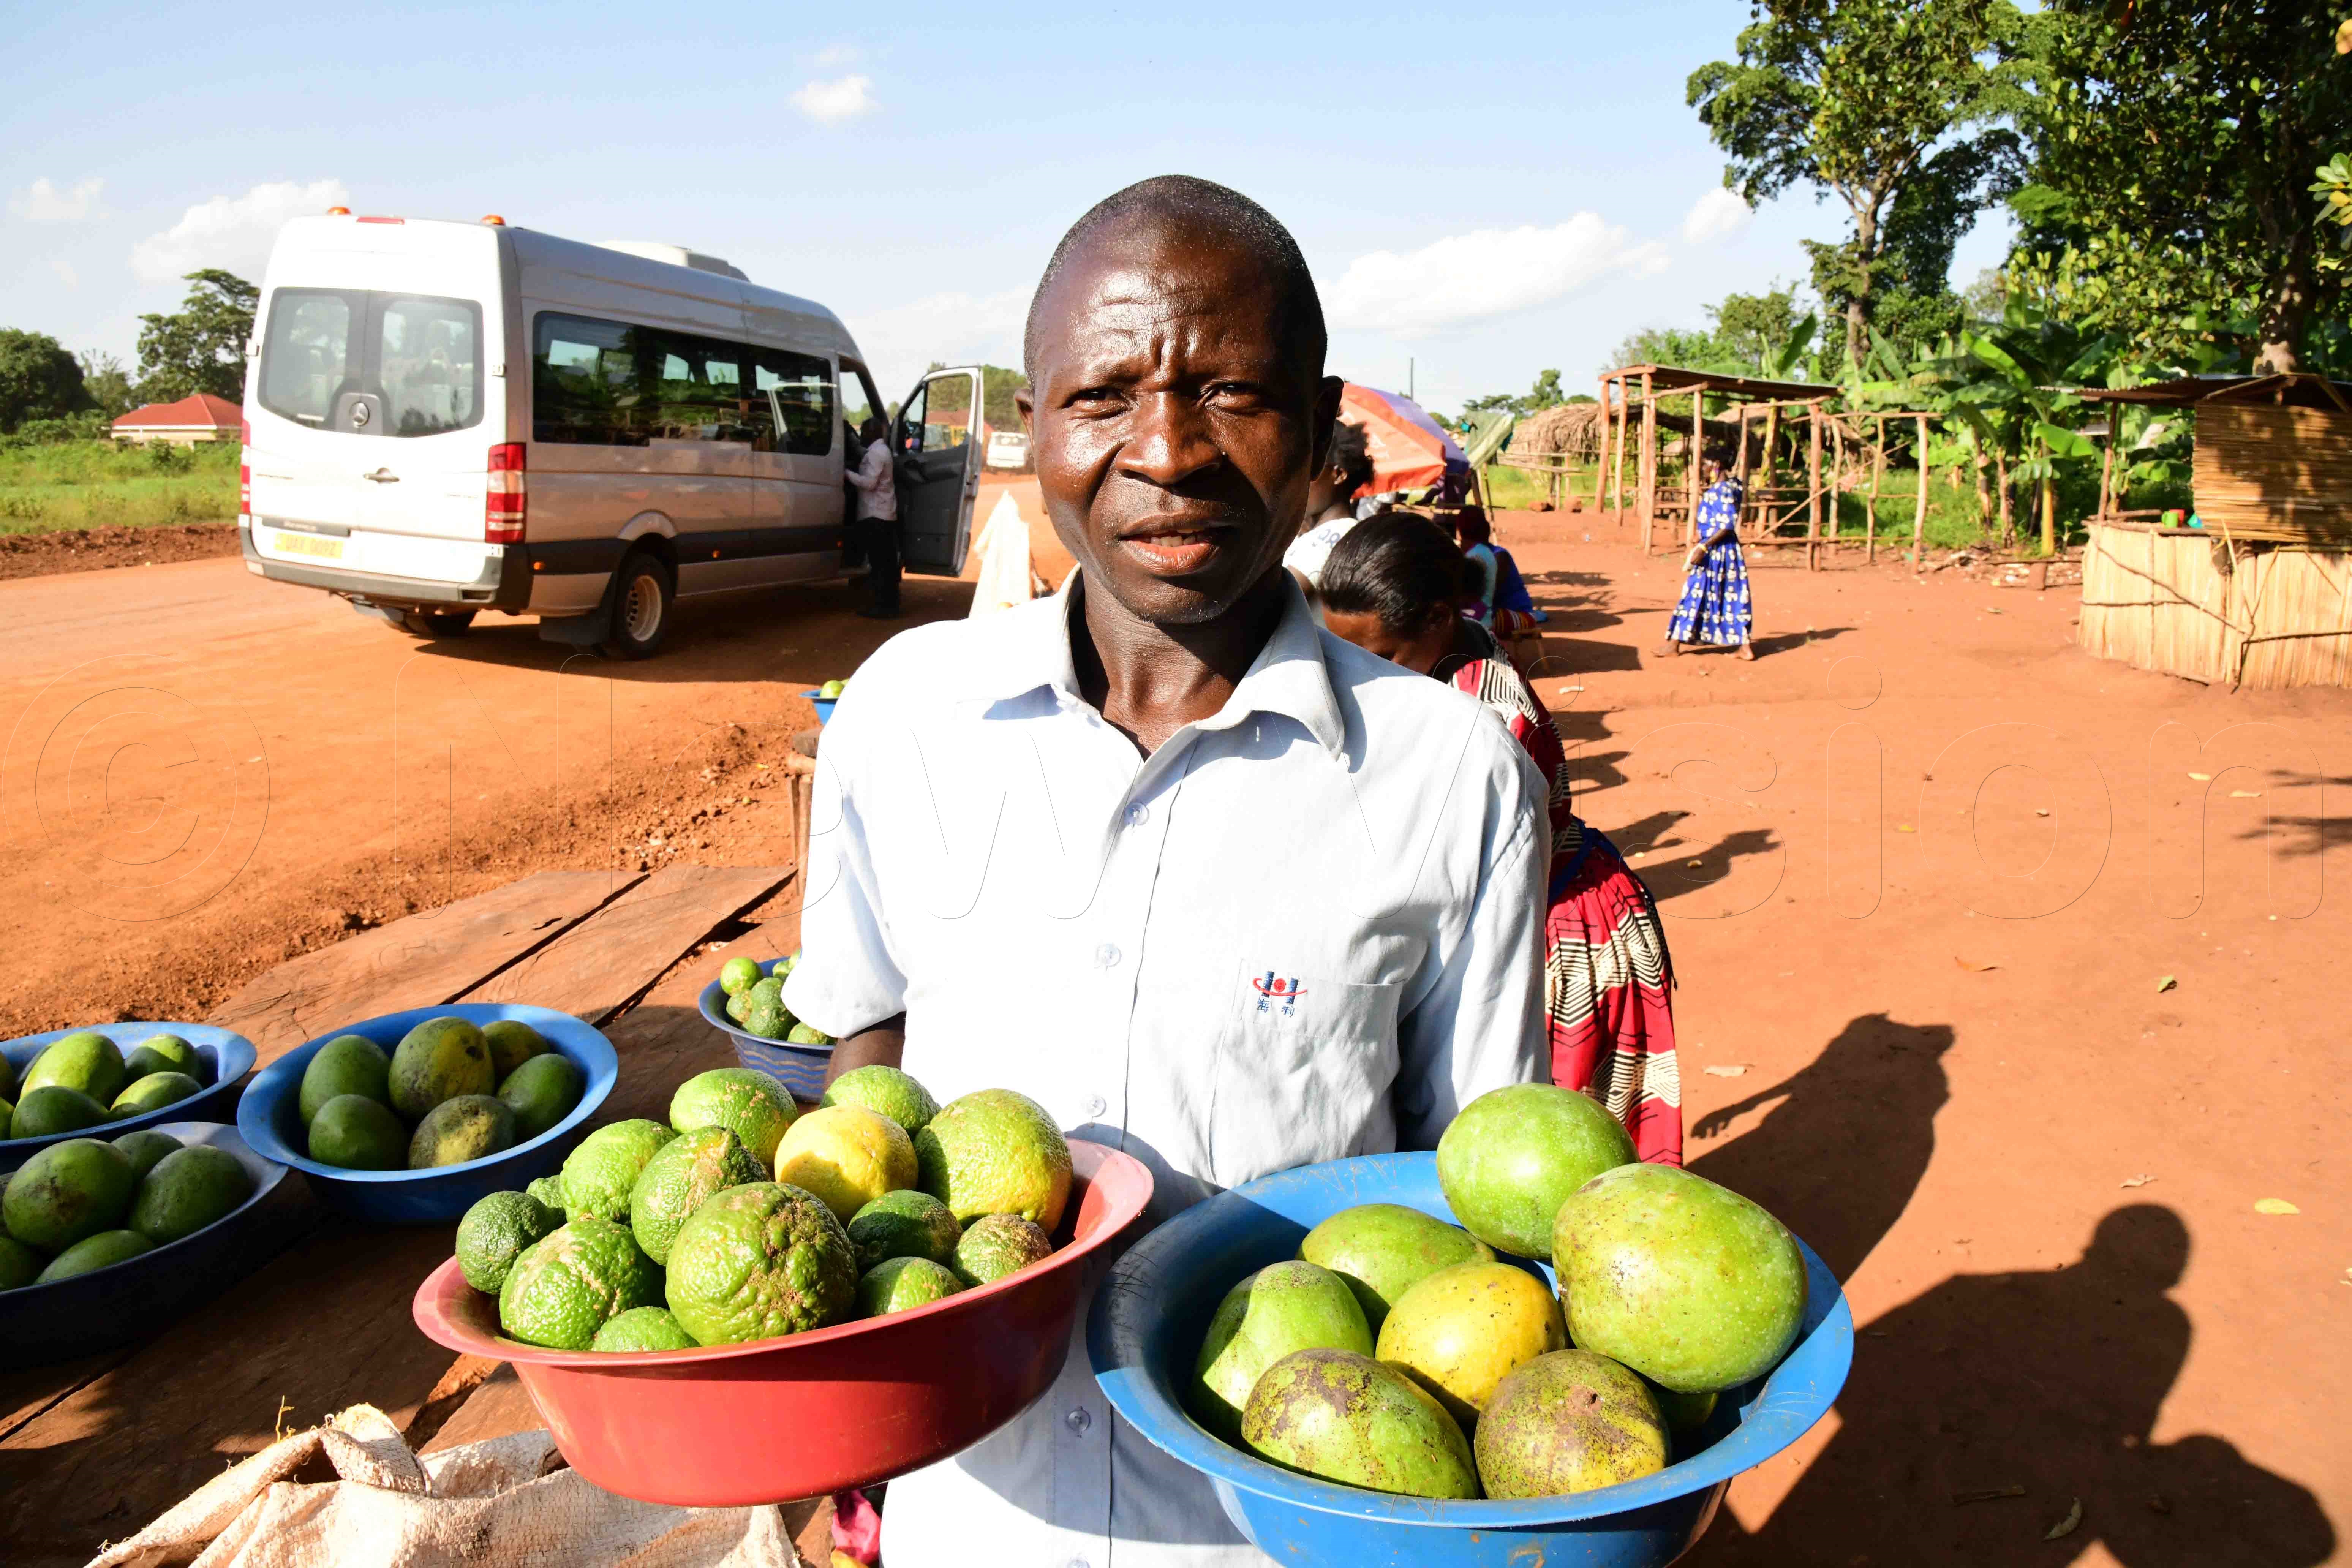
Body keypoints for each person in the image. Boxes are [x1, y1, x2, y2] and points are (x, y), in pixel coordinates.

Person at [782, 175, 1548, 1568]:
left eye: (1232, 395)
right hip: (976, 1512)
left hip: (1284, 1529)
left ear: (1322, 442)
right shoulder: (901, 718)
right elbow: (865, 1043)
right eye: (1102, 396)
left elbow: (1481, 1187)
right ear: (1032, 431)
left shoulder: (1450, 779)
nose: (1166, 450)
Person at [1320, 513, 1682, 1164]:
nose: (1357, 676)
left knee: (1536, 1163)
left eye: (1380, 658)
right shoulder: (1441, 662)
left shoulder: (1485, 716)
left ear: (1434, 620)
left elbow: (1458, 885)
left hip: (1544, 933)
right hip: (1522, 906)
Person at [1661, 455, 1753, 659]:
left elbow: (1727, 525)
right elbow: (1721, 521)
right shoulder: (1733, 487)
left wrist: (1703, 546)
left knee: (1693, 593)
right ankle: (1745, 648)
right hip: (1727, 553)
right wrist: (1703, 533)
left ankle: (1673, 645)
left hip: (1716, 554)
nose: (1701, 468)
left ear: (1717, 464)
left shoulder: (1722, 491)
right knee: (1733, 597)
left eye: (1705, 464)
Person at [1279, 417, 1374, 594]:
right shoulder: (1311, 534)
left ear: (1339, 474)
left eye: (1308, 468)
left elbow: (1272, 603)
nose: (1295, 480)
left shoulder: (1339, 537)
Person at [845, 415, 899, 618]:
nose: (861, 436)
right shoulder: (879, 451)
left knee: (880, 566)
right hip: (883, 514)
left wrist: (846, 473)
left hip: (876, 515)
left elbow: (869, 484)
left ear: (872, 433)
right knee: (885, 565)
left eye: (864, 432)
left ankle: (883, 608)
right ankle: (890, 606)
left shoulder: (877, 454)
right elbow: (864, 454)